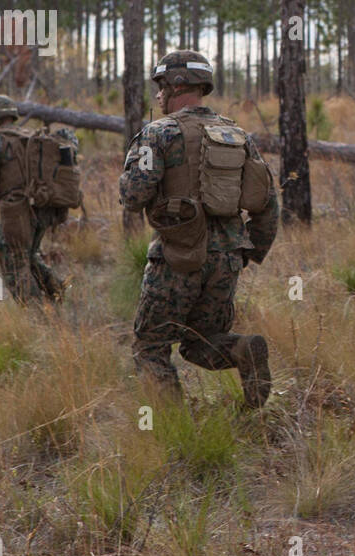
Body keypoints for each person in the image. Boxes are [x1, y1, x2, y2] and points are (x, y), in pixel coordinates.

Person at [119, 50, 279, 404]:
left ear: (177, 85)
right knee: (201, 342)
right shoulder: (237, 135)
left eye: (161, 86)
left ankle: (175, 432)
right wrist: (249, 252)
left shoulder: (158, 134)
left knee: (151, 346)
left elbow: (134, 195)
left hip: (176, 258)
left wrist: (127, 174)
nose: (158, 95)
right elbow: (268, 203)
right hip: (226, 260)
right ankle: (241, 350)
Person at [0, 94, 65, 302]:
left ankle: (36, 315)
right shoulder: (29, 137)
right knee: (29, 257)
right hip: (43, 206)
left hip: (17, 211)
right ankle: (57, 293)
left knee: (13, 265)